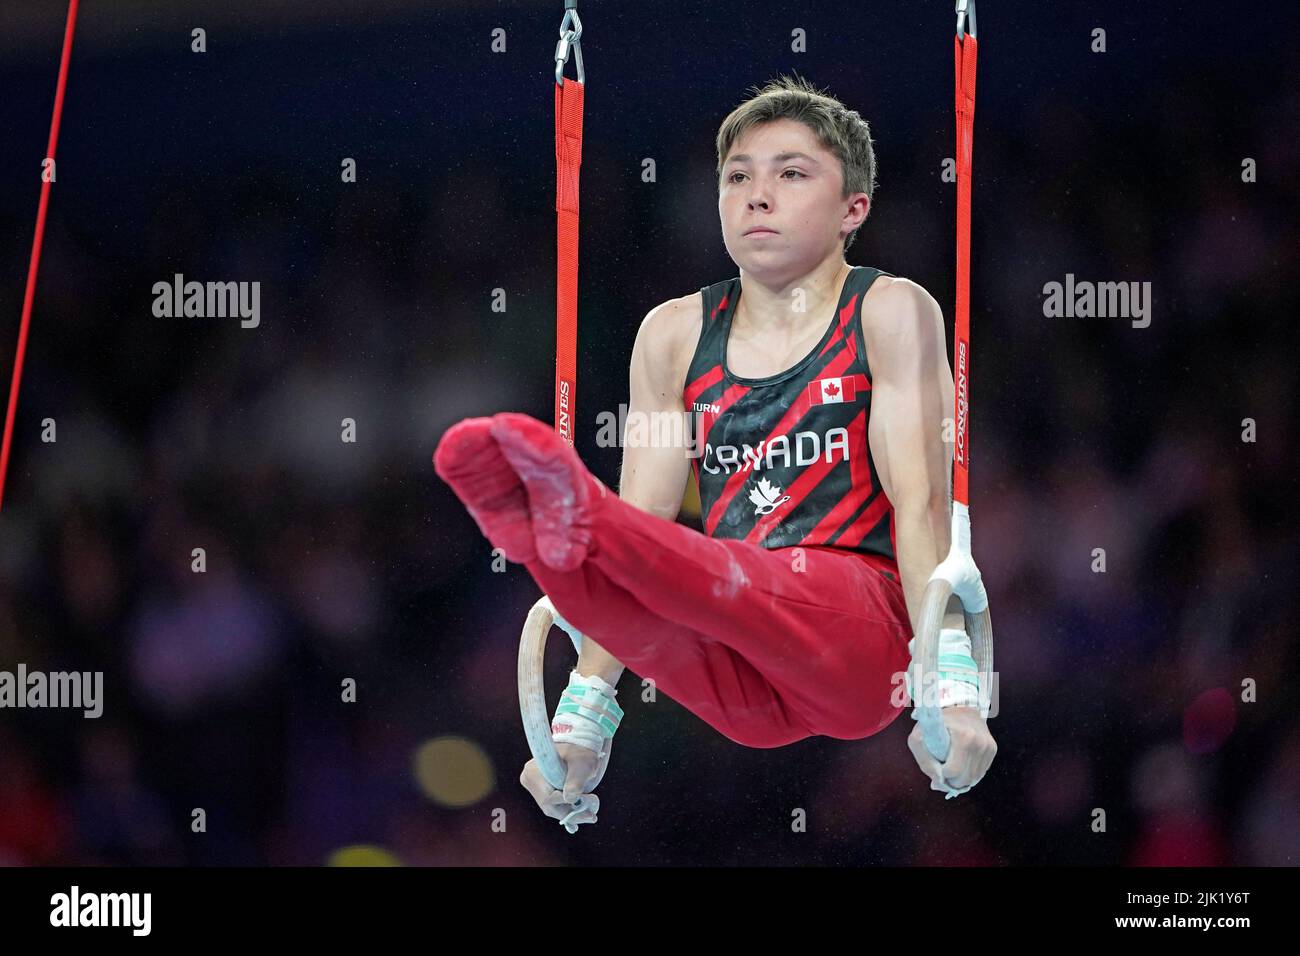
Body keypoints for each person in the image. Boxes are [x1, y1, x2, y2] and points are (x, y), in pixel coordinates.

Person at [433, 74, 997, 829]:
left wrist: (952, 688)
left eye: (791, 173)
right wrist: (583, 717)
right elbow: (645, 534)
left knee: (701, 568)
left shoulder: (889, 311)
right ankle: (537, 537)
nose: (755, 195)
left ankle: (560, 515)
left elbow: (922, 505)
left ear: (852, 209)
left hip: (860, 639)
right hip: (742, 672)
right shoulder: (672, 335)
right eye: (737, 177)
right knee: (627, 571)